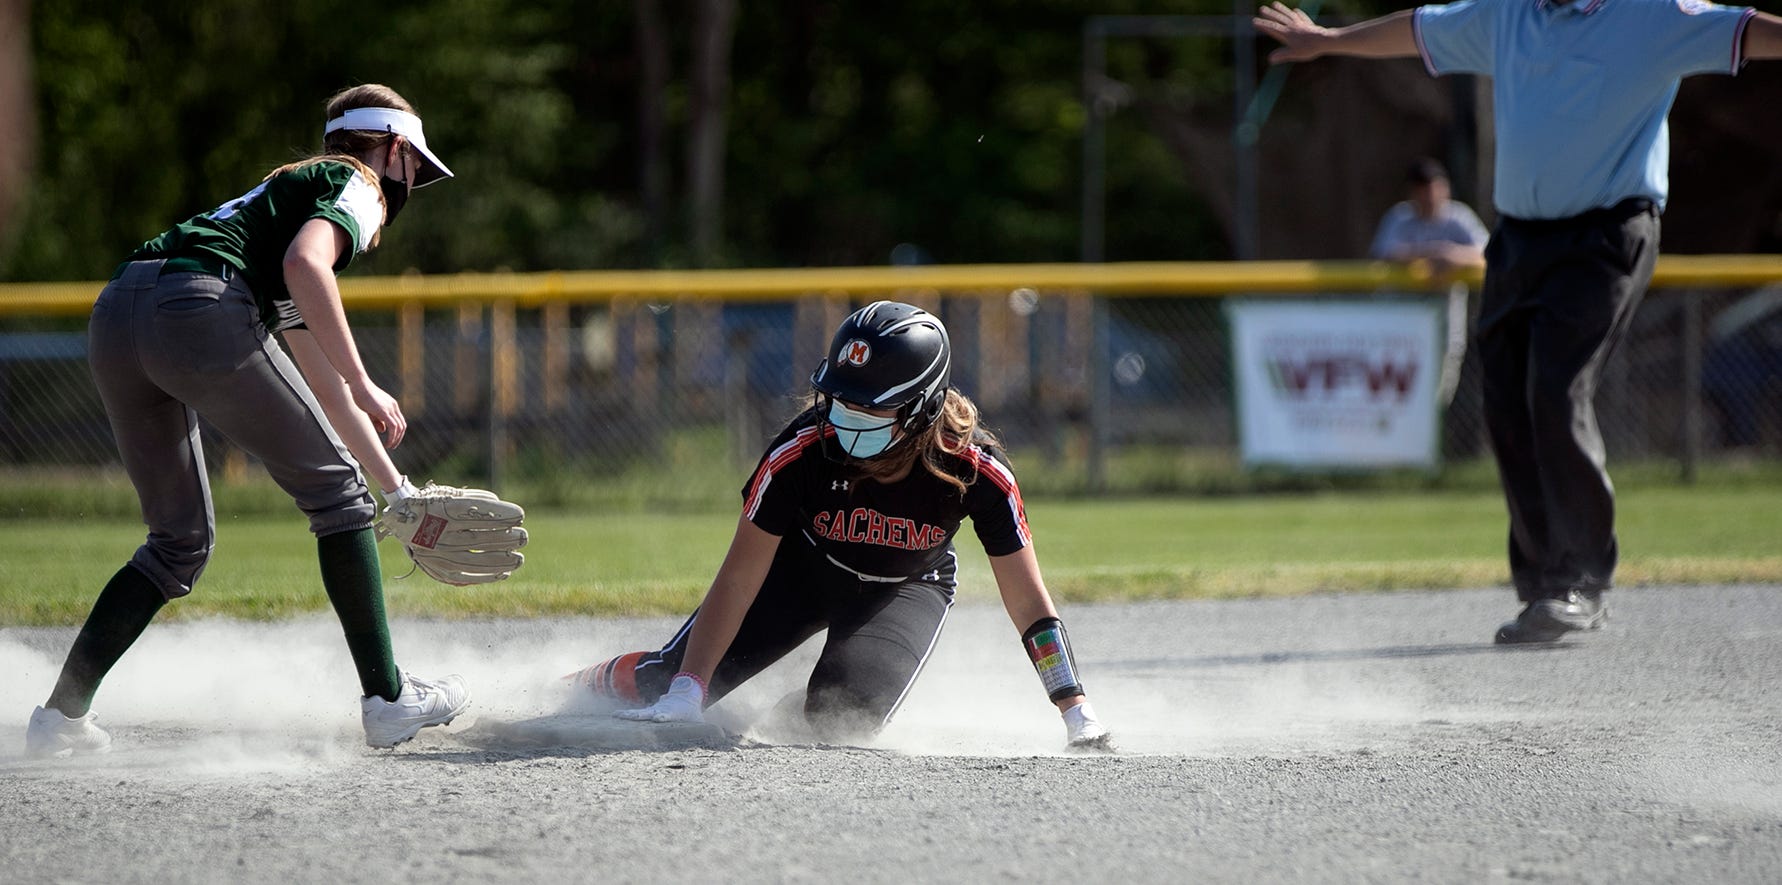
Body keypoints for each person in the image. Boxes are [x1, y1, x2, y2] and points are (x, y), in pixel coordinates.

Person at [1255, 1, 1782, 643]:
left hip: (1606, 235)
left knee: (1557, 389)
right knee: (1505, 402)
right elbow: (1420, 28)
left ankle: (1583, 581)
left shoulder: (1653, 15)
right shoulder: (1509, 14)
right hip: (1519, 239)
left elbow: (1751, 32)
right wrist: (1330, 41)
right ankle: (1543, 587)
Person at [25, 84, 470, 758]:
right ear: (396, 148)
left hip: (120, 309)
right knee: (338, 502)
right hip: (199, 304)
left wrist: (398, 492)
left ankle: (59, 720)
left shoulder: (277, 204)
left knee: (177, 541)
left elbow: (318, 384)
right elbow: (307, 267)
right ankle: (387, 698)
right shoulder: (356, 181)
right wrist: (367, 379)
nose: (411, 186)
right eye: (414, 168)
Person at [564, 301, 1113, 750]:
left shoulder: (977, 471)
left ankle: (765, 727)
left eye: (867, 409)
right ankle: (563, 689)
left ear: (921, 408)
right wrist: (688, 688)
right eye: (841, 400)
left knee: (842, 714)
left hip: (904, 588)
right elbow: (738, 578)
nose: (843, 418)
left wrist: (1074, 707)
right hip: (800, 571)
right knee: (666, 680)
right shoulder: (803, 451)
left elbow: (1028, 600)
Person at [1369, 156, 1488, 274]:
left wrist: (1453, 256)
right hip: (1405, 292)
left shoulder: (1460, 216)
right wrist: (1428, 253)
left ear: (1447, 188)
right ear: (1411, 192)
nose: (1430, 196)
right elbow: (1380, 253)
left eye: (1436, 188)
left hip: (1449, 292)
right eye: (1422, 191)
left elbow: (1488, 252)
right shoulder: (1399, 215)